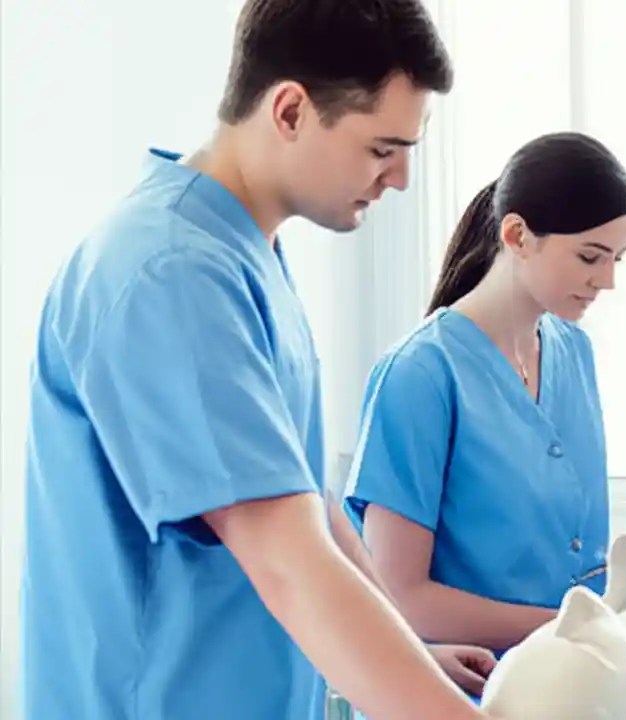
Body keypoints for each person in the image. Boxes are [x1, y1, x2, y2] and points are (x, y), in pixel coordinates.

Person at [19, 2, 496, 718]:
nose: (399, 178)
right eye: (381, 149)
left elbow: (303, 501)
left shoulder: (244, 254)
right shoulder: (170, 271)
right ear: (290, 110)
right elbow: (287, 560)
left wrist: (409, 650)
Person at [344, 131, 626, 652]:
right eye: (590, 257)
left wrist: (614, 588)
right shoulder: (420, 374)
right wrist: (572, 626)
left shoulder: (575, 352)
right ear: (518, 235)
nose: (607, 281)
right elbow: (401, 596)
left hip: (577, 673)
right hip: (475, 683)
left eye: (618, 258)